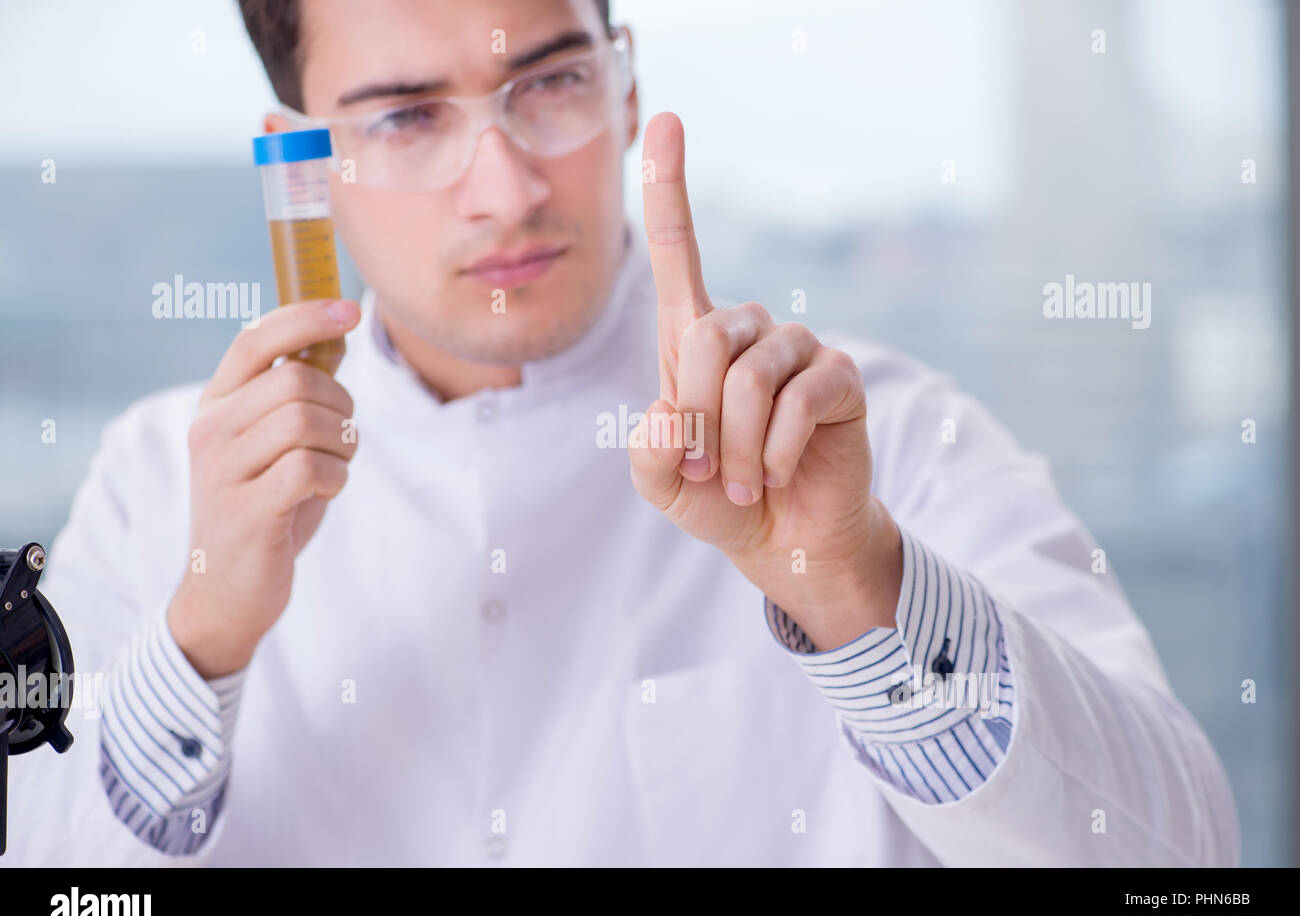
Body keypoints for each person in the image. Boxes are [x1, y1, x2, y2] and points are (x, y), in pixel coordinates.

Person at [3, 0, 1238, 866]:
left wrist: (862, 589)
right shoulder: (159, 491)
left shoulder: (884, 441)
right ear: (298, 170)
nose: (508, 187)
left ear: (625, 78)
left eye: (549, 84)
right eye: (406, 118)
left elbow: (1180, 875)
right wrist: (202, 642)